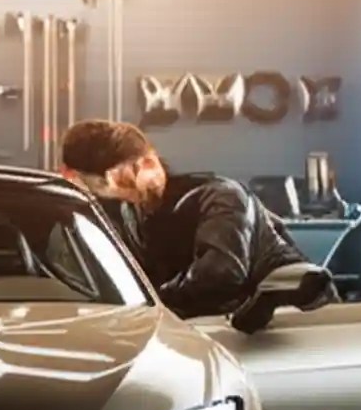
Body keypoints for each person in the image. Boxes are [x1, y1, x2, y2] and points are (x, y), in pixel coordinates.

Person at [59, 119, 311, 320]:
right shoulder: (127, 213)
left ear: (150, 160)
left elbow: (221, 274)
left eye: (118, 179)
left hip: (290, 326)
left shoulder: (222, 196)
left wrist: (146, 304)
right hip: (208, 331)